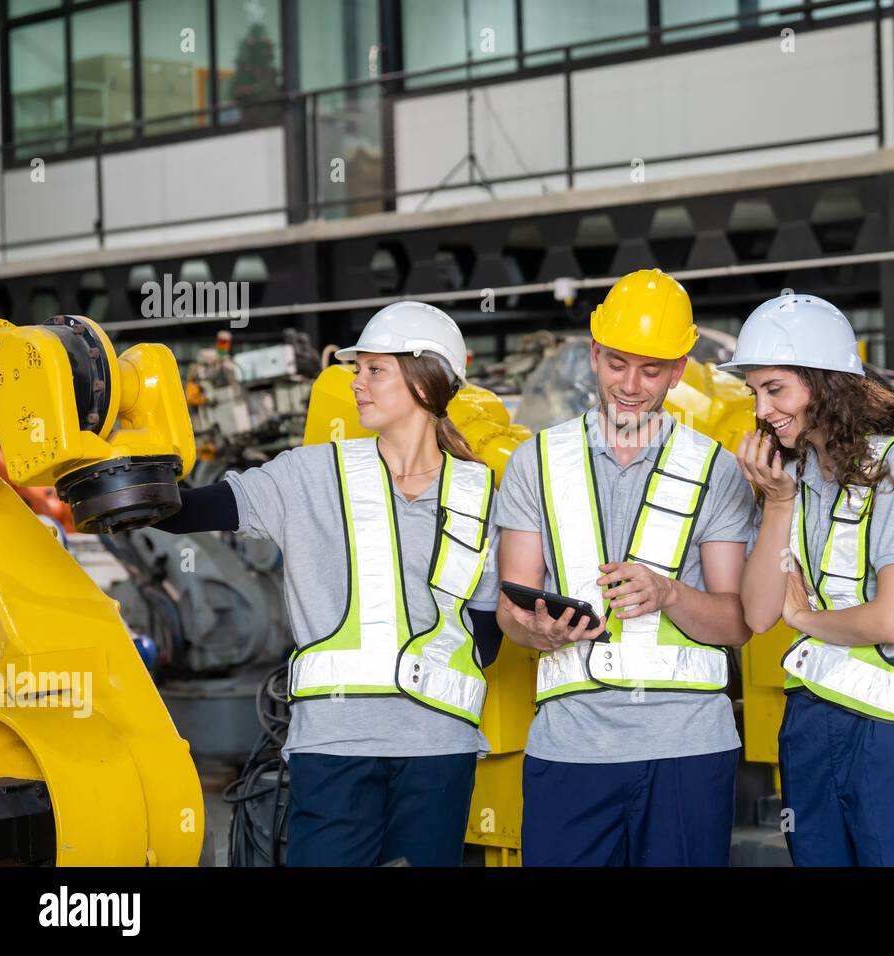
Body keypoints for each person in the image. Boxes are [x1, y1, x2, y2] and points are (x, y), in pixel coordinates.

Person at [152, 301, 502, 866]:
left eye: (374, 369)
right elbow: (186, 510)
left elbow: (486, 636)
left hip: (439, 751)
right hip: (335, 747)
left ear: (423, 379)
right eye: (356, 368)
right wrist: (112, 472)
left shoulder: (480, 492)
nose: (356, 382)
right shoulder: (306, 476)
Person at [494, 268, 755, 866]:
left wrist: (668, 593)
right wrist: (537, 629)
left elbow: (736, 623)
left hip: (688, 747)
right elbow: (512, 609)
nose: (631, 385)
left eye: (651, 369)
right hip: (570, 749)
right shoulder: (537, 461)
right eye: (617, 364)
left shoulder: (712, 468)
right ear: (594, 354)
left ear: (679, 371)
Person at [722, 293, 894, 867]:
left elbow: (889, 620)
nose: (762, 409)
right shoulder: (797, 473)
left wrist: (804, 618)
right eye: (754, 391)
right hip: (812, 720)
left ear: (824, 382)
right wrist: (778, 503)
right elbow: (757, 615)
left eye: (775, 388)